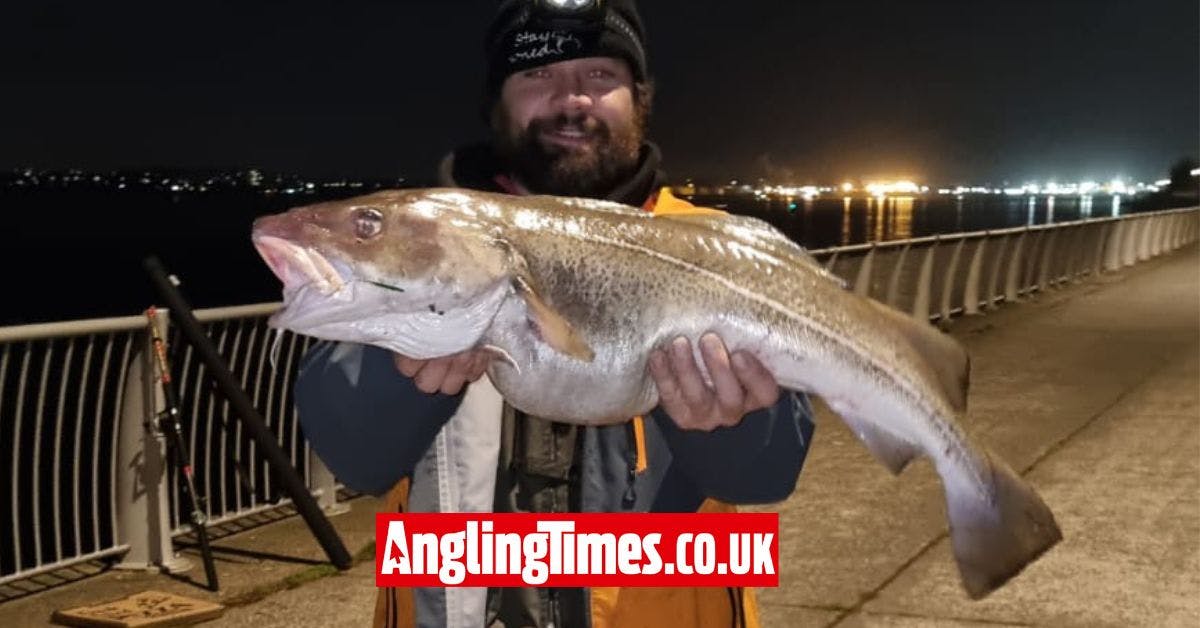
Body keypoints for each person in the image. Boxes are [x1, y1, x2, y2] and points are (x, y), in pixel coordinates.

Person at [293, 1, 817, 626]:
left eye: (600, 76)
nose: (572, 100)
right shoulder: (420, 243)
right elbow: (352, 454)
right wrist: (399, 377)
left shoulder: (717, 249)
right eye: (538, 75)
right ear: (497, 102)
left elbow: (768, 473)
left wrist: (726, 419)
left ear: (639, 97)